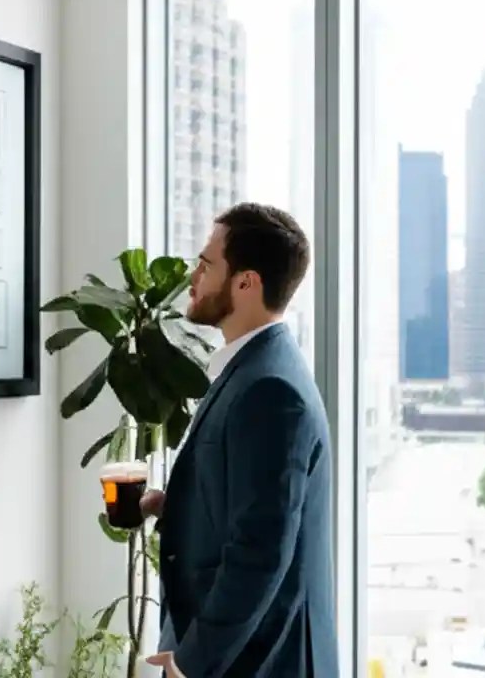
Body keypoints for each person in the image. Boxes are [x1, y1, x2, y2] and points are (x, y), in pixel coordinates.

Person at [142, 203, 337, 678]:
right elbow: (248, 507)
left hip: (260, 663)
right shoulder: (254, 369)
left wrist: (190, 663)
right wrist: (173, 506)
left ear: (246, 282)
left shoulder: (272, 390)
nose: (193, 277)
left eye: (206, 265)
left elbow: (260, 554)